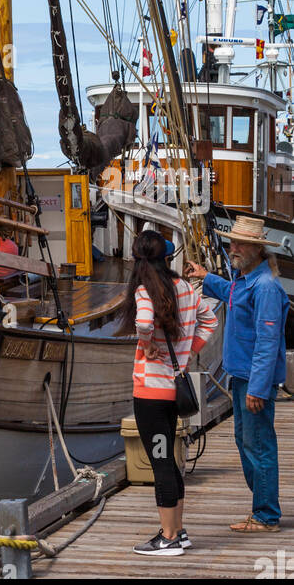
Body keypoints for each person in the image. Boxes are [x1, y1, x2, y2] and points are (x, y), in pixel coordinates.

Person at [117, 230, 218, 556]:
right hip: (173, 392)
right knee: (169, 460)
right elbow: (210, 320)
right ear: (166, 257)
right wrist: (188, 352)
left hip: (151, 395)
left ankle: (169, 537)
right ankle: (177, 530)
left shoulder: (146, 291)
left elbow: (144, 324)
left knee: (160, 462)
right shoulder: (186, 288)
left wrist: (147, 345)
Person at [186, 215, 288, 532]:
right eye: (232, 242)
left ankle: (266, 515)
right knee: (247, 442)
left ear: (257, 249)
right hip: (242, 376)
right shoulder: (248, 280)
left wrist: (258, 388)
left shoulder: (266, 287)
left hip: (253, 381)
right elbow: (232, 293)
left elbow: (269, 342)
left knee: (258, 445)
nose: (233, 248)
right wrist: (207, 276)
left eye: (240, 244)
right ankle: (261, 509)